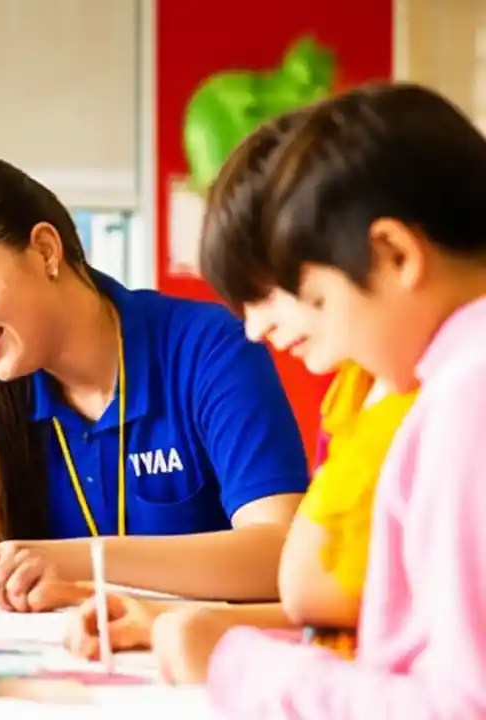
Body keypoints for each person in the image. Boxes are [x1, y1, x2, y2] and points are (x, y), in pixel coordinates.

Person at [177, 82, 486, 718]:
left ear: (396, 254)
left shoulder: (465, 399)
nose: (329, 332)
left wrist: (237, 664)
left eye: (315, 299)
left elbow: (459, 704)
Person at [64, 110, 416, 665]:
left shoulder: (448, 403)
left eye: (281, 290)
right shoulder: (357, 390)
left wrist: (235, 663)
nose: (256, 328)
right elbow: (354, 610)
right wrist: (189, 621)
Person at [0, 158, 309, 608]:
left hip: (197, 659)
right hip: (62, 656)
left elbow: (280, 553)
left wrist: (80, 562)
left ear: (46, 251)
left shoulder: (211, 348)